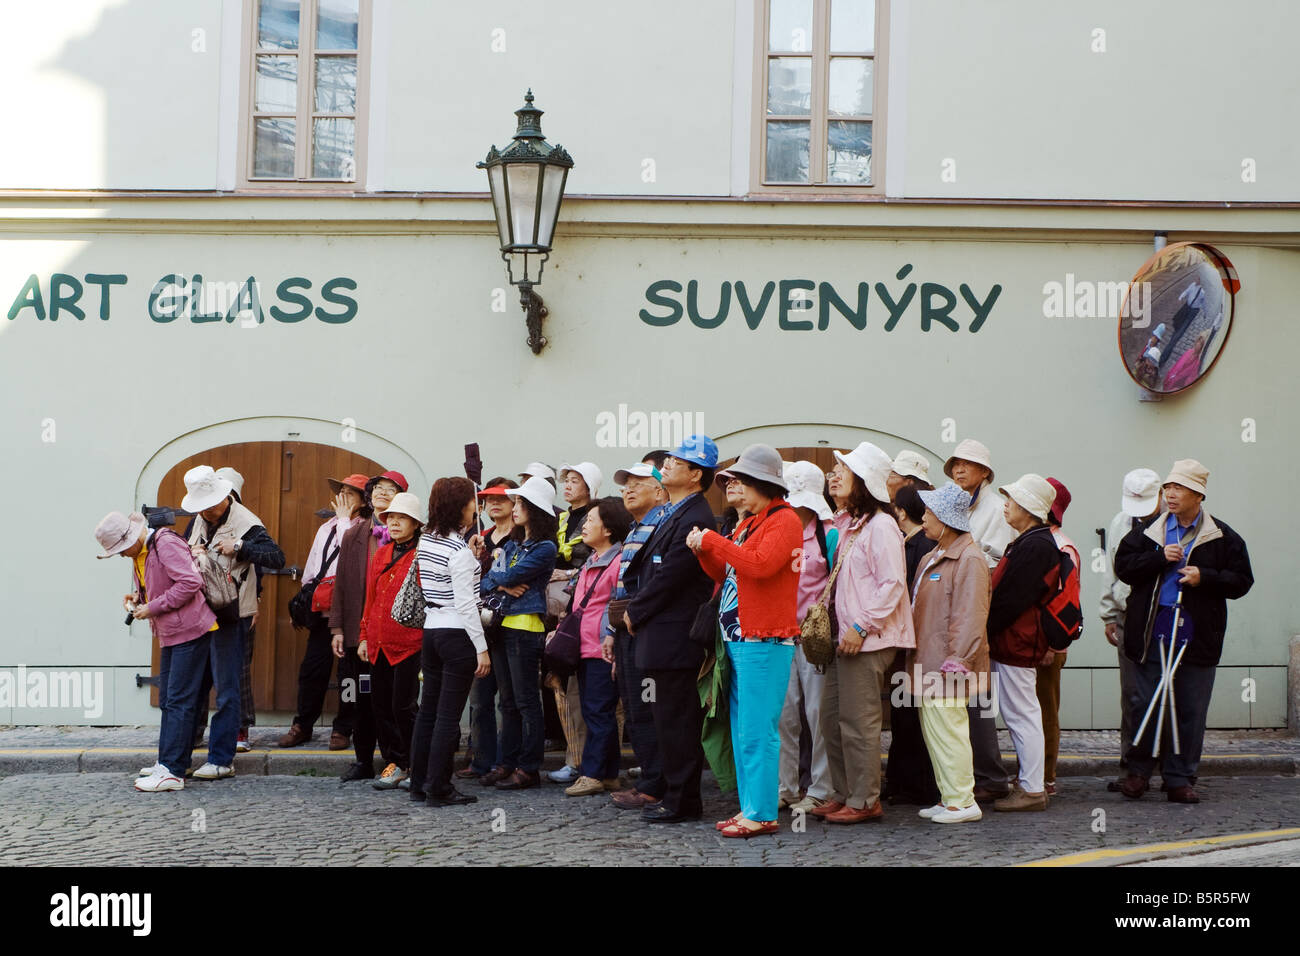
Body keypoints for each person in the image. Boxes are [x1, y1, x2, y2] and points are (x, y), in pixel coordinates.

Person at [1115, 460, 1253, 804]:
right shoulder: (1149, 533)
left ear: (1198, 494)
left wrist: (1204, 577)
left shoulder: (1222, 536)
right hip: (1152, 630)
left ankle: (1179, 777)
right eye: (1168, 488)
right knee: (1145, 701)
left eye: (1179, 488)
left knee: (1190, 705)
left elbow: (1241, 581)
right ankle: (1138, 773)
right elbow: (1124, 567)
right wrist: (1160, 558)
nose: (1170, 494)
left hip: (1197, 633)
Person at [687, 445, 803, 837]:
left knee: (757, 730)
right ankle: (752, 807)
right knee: (743, 728)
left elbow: (760, 566)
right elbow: (724, 573)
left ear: (761, 483)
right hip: (742, 637)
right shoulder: (752, 522)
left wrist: (712, 542)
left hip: (763, 638)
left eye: (739, 480)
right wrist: (704, 550)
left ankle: (763, 813)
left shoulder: (784, 520)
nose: (732, 485)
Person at [814, 441, 916, 824]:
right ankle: (845, 794)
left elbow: (892, 583)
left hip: (867, 639)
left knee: (859, 722)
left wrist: (861, 625)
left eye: (845, 470)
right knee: (832, 718)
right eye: (835, 469)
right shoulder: (850, 524)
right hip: (846, 638)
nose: (834, 475)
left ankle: (864, 799)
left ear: (866, 482)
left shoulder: (882, 526)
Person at [622, 434, 720, 823]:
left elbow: (671, 575)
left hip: (675, 635)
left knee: (677, 720)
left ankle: (683, 801)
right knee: (665, 719)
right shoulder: (676, 511)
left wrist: (636, 611)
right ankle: (675, 795)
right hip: (661, 634)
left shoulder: (695, 516)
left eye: (677, 461)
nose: (667, 464)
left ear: (696, 474)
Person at [97, 511, 218, 792]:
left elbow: (190, 583)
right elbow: (161, 583)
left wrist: (152, 607)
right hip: (173, 632)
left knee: (179, 700)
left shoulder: (165, 543)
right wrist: (139, 597)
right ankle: (170, 762)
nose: (122, 556)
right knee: (169, 699)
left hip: (190, 630)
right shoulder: (146, 549)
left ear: (130, 538)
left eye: (120, 550)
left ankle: (173, 771)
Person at [183, 465, 284, 780]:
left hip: (232, 615)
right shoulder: (199, 518)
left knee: (228, 688)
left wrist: (240, 547)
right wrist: (190, 551)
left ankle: (221, 759)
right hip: (200, 613)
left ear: (224, 497)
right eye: (201, 508)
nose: (206, 513)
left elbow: (276, 558)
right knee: (195, 686)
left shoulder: (248, 523)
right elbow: (182, 556)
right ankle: (180, 756)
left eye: (210, 506)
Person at [908, 483, 991, 823]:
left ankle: (962, 801)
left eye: (929, 513)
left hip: (947, 664)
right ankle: (950, 796)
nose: (923, 518)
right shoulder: (935, 556)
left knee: (949, 730)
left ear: (945, 518)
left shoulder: (969, 558)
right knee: (935, 731)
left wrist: (959, 659)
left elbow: (971, 614)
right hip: (929, 660)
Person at [408, 478, 492, 807]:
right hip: (457, 634)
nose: (477, 508)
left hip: (431, 631)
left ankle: (419, 784)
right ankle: (439, 788)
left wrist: (469, 555)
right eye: (473, 502)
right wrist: (481, 647)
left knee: (428, 711)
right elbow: (466, 604)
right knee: (447, 716)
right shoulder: (458, 551)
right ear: (461, 507)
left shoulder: (428, 540)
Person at [943, 439, 1014, 802]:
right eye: (955, 463)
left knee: (976, 696)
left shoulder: (995, 508)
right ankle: (971, 774)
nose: (958, 470)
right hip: (955, 606)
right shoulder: (956, 501)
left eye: (967, 464)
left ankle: (990, 775)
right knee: (958, 697)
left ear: (985, 472)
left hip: (977, 606)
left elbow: (995, 559)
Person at [479, 476, 560, 790]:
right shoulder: (513, 543)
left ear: (536, 510)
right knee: (508, 702)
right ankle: (506, 762)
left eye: (522, 504)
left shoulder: (544, 546)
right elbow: (489, 580)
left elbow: (507, 573)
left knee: (527, 701)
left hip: (525, 627)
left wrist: (500, 576)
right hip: (502, 625)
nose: (515, 508)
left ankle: (529, 767)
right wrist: (501, 579)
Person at [986, 474, 1059, 812]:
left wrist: (984, 630)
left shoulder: (1035, 545)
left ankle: (1031, 788)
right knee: (1021, 713)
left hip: (1018, 641)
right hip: (1016, 641)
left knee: (1021, 715)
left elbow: (1012, 600)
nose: (1006, 505)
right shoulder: (1032, 541)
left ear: (1028, 508)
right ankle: (1029, 783)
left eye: (1012, 500)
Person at [280, 474, 370, 749]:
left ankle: (344, 727)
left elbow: (353, 557)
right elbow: (312, 568)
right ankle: (303, 724)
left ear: (363, 500)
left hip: (350, 612)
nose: (342, 497)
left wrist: (344, 520)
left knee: (349, 674)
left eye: (350, 494)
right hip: (323, 609)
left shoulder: (365, 527)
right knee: (312, 669)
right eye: (341, 492)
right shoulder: (326, 528)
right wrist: (307, 598)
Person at [602, 459, 670, 810]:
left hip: (648, 629)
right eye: (625, 483)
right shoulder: (633, 529)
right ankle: (649, 779)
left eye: (637, 483)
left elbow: (658, 583)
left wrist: (632, 617)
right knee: (633, 706)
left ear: (659, 491)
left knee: (648, 706)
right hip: (626, 628)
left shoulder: (663, 525)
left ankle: (656, 783)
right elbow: (620, 586)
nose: (627, 489)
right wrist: (612, 631)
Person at [329, 470, 405, 781]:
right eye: (378, 489)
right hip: (355, 632)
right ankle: (362, 760)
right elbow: (342, 585)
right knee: (357, 696)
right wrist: (337, 629)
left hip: (390, 633)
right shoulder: (354, 534)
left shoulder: (405, 535)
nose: (382, 494)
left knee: (387, 701)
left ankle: (392, 759)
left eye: (391, 490)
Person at [776, 460, 838, 815]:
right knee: (783, 716)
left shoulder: (826, 533)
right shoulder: (778, 530)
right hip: (780, 637)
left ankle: (820, 787)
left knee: (817, 714)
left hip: (813, 639)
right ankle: (784, 786)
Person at [564, 497, 633, 795]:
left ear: (607, 529)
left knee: (598, 712)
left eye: (591, 520)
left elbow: (618, 605)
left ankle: (592, 774)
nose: (584, 525)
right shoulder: (592, 559)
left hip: (601, 648)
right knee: (597, 711)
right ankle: (608, 774)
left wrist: (612, 638)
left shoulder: (618, 561)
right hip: (585, 646)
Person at [357, 491, 425, 791]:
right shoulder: (382, 554)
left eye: (402, 518)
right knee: (381, 706)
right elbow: (369, 600)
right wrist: (363, 635)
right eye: (391, 518)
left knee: (404, 706)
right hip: (378, 642)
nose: (394, 523)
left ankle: (415, 762)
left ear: (415, 523)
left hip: (410, 642)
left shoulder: (422, 554)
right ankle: (394, 762)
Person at [1099, 468, 1162, 785]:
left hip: (1162, 617)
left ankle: (1169, 768)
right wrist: (1109, 614)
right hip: (1127, 616)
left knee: (1169, 694)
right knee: (1134, 697)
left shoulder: (1172, 524)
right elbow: (1110, 570)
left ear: (1161, 495)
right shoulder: (1120, 521)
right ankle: (1132, 769)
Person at [882, 483, 941, 807]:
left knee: (909, 716)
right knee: (906, 714)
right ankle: (904, 783)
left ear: (901, 512)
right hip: (911, 642)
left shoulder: (917, 546)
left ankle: (914, 785)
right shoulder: (917, 543)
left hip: (912, 643)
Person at [455, 477, 517, 782]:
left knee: (509, 699)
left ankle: (506, 762)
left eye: (501, 499)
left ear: (515, 503)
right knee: (479, 700)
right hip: (480, 625)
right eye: (489, 499)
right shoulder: (480, 537)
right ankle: (481, 760)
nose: (494, 503)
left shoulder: (520, 538)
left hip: (509, 625)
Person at [548, 461, 604, 784]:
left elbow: (595, 562)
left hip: (586, 612)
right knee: (564, 688)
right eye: (566, 480)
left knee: (593, 697)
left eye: (575, 480)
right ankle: (575, 756)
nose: (568, 486)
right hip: (561, 611)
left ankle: (590, 762)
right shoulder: (562, 519)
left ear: (590, 486)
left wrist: (566, 574)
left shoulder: (597, 518)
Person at [1036, 477, 1078, 796]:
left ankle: (1047, 777)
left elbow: (1068, 604)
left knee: (1045, 710)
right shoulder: (1041, 541)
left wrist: (1054, 644)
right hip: (1030, 642)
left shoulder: (1061, 547)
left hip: (1048, 644)